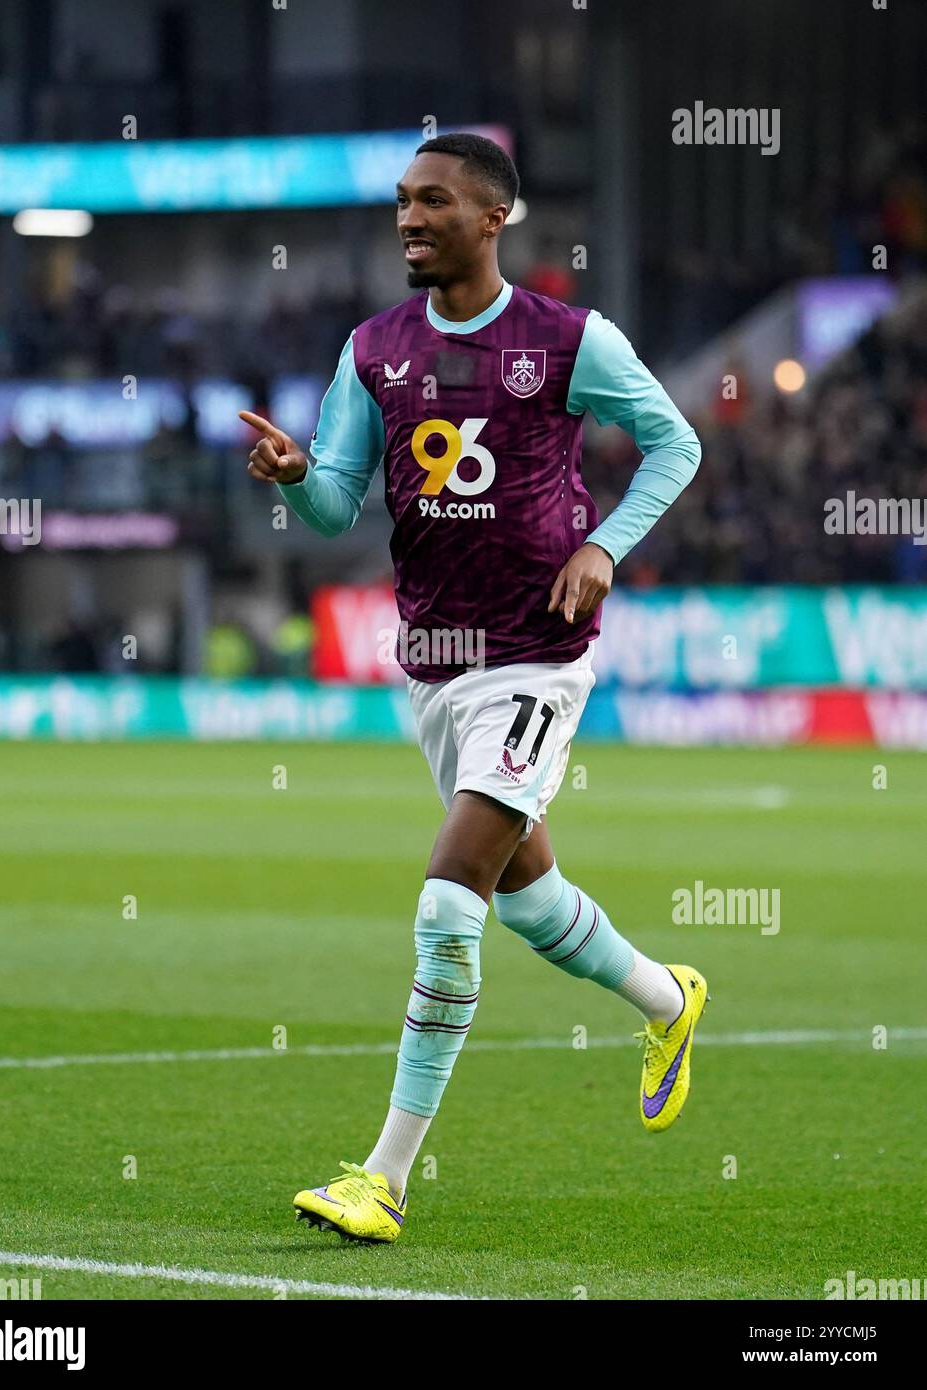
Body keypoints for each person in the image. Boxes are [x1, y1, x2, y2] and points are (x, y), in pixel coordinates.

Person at [241, 133, 707, 1245]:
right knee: (531, 897)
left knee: (450, 902)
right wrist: (300, 477)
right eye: (402, 201)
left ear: (493, 216)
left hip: (538, 653)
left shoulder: (566, 340)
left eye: (433, 200)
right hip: (435, 665)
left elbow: (672, 440)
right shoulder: (373, 349)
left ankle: (385, 1177)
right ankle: (668, 997)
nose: (409, 217)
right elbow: (341, 498)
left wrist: (606, 545)